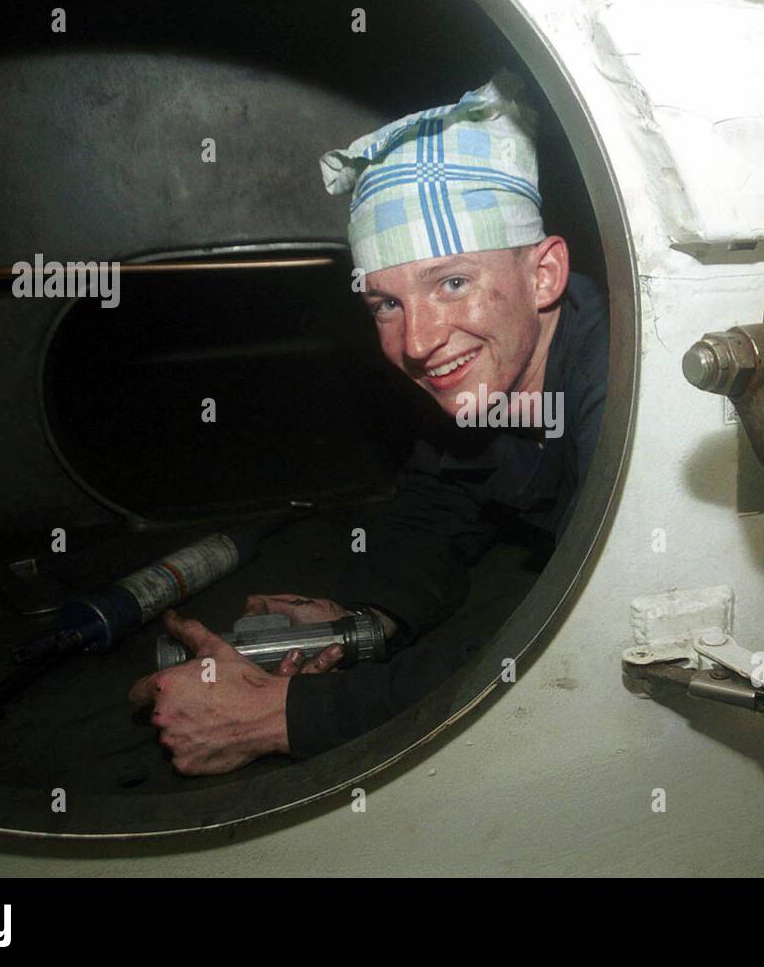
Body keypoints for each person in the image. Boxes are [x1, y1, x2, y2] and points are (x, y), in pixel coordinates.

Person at [129, 68, 609, 774]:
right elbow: (441, 501)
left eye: (452, 283)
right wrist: (361, 623)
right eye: (386, 304)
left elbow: (584, 657)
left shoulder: (617, 386)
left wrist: (278, 717)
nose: (417, 342)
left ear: (544, 275)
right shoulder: (485, 372)